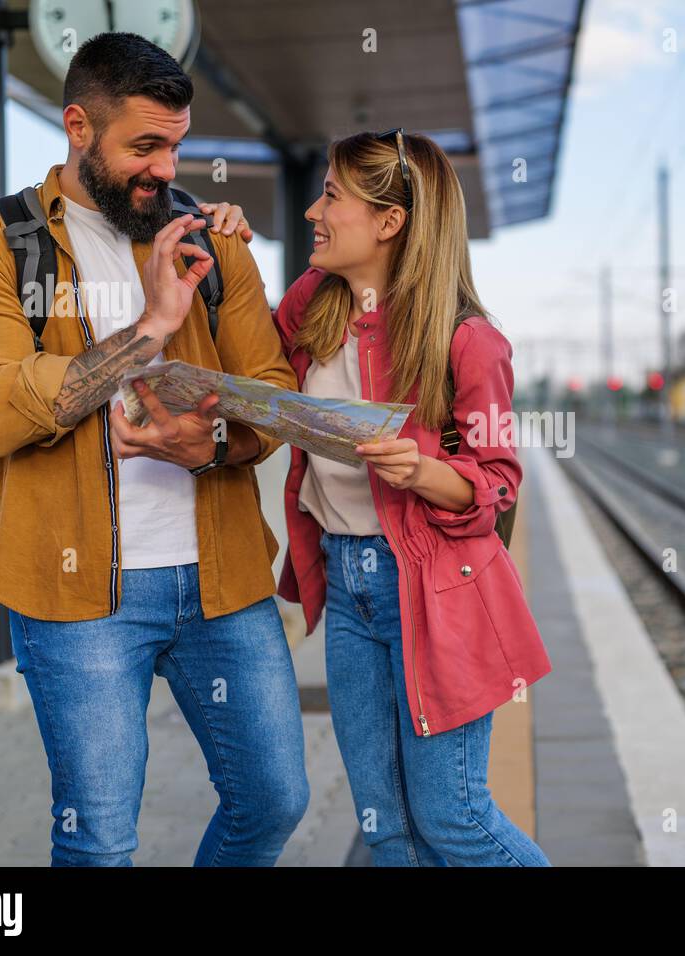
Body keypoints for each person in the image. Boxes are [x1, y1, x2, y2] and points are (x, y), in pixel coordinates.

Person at [0, 32, 308, 866]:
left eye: (175, 145)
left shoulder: (212, 245)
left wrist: (210, 443)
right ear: (78, 127)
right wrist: (149, 331)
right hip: (77, 602)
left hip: (221, 583)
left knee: (276, 800)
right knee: (99, 841)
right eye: (144, 146)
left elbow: (272, 397)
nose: (164, 168)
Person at [273, 129, 552, 866]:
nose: (312, 211)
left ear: (390, 221)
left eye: (331, 195)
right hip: (347, 585)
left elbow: (497, 485)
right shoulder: (314, 305)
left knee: (453, 817)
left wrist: (421, 469)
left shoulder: (469, 342)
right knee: (384, 826)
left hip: (432, 590)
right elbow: (250, 358)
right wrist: (227, 257)